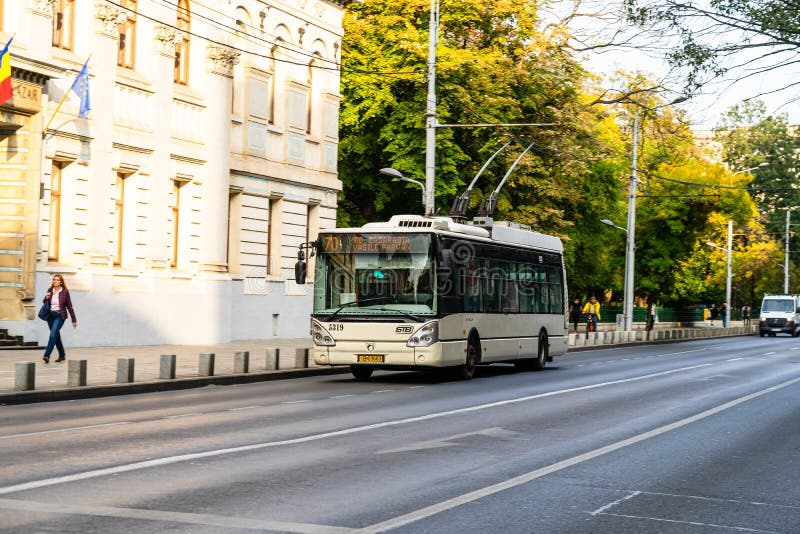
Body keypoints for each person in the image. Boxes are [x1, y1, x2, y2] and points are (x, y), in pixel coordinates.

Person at [41, 273, 77, 364]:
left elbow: (69, 306)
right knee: (56, 336)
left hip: (60, 316)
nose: (55, 281)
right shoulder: (50, 290)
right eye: (54, 279)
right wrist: (46, 297)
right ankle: (62, 355)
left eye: (57, 280)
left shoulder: (65, 291)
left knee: (53, 335)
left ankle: (47, 355)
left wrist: (74, 319)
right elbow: (45, 302)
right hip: (50, 316)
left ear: (61, 282)